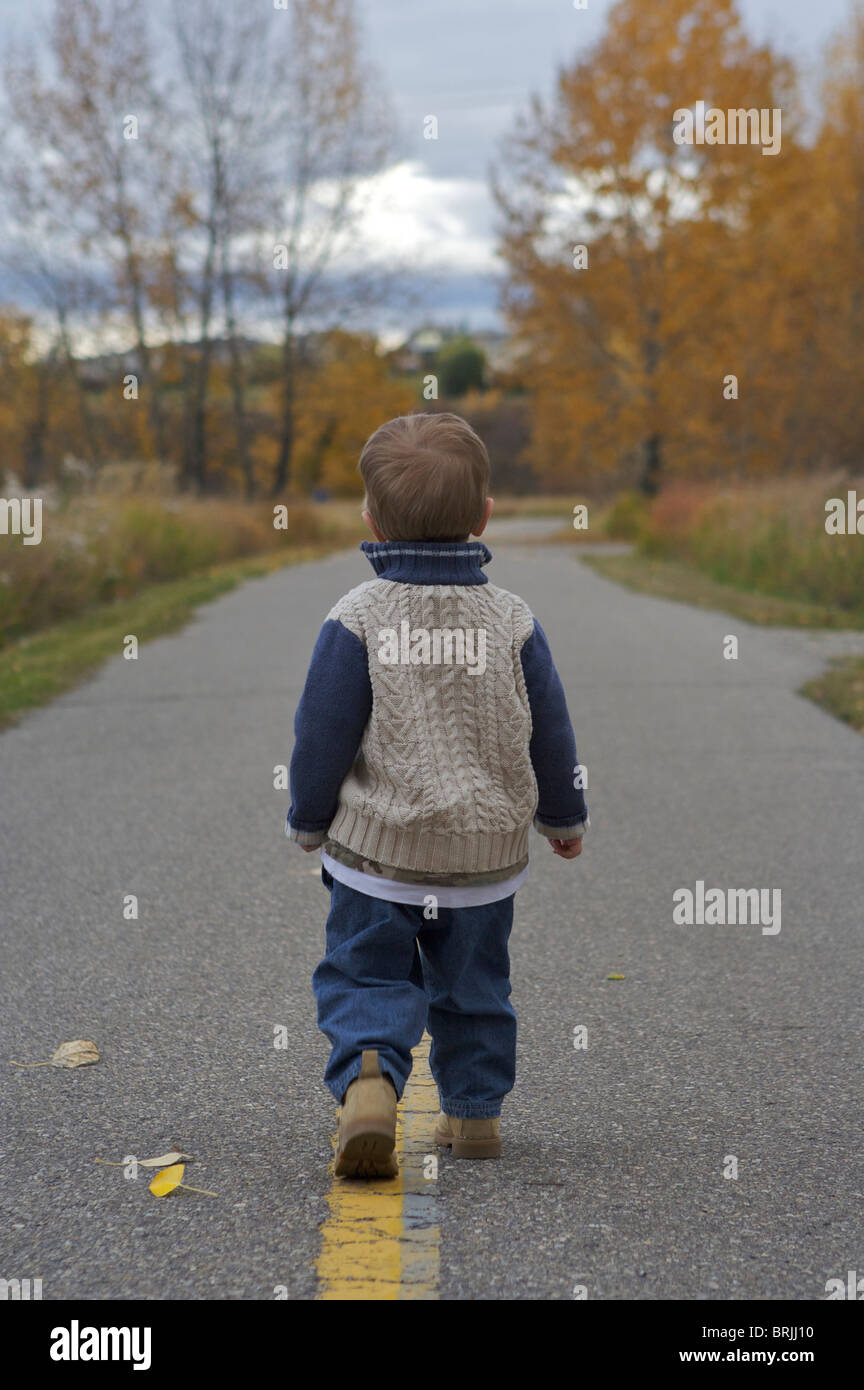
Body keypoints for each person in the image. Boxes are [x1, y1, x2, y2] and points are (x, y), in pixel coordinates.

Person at [287, 412, 588, 1177]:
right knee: (477, 988)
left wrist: (310, 820)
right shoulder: (513, 619)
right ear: (484, 516)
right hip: (482, 862)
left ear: (370, 518)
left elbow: (323, 731)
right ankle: (474, 1119)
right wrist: (563, 815)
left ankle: (369, 1082)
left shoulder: (357, 617)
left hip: (376, 857)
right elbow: (549, 730)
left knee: (367, 972)